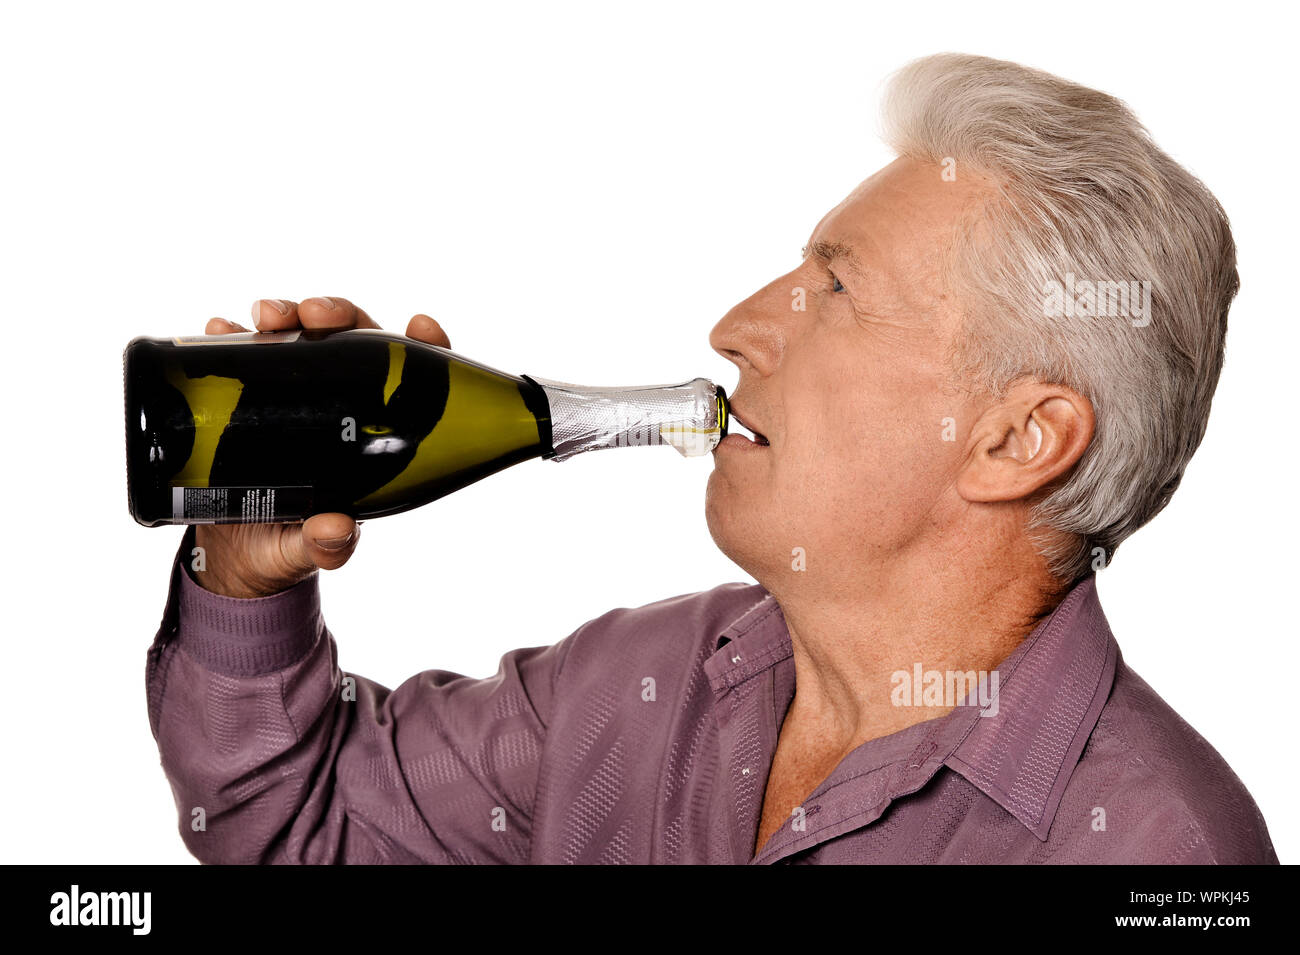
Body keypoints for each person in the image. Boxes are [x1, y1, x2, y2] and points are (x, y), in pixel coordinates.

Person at [145, 53, 1277, 863]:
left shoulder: (1156, 852)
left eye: (836, 289)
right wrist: (248, 579)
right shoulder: (646, 685)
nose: (735, 326)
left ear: (1016, 439)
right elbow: (298, 824)